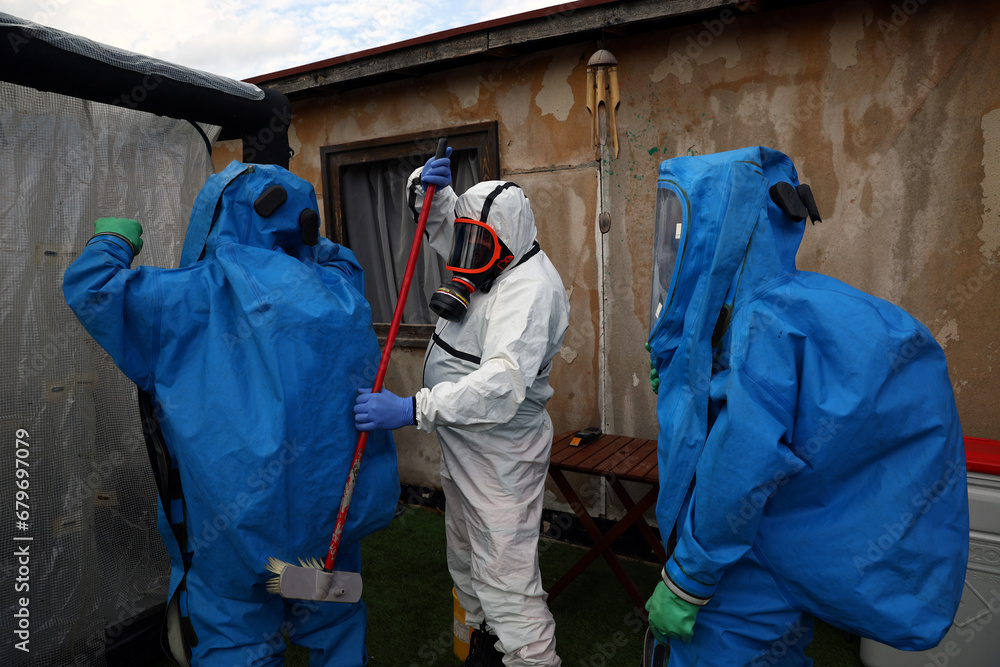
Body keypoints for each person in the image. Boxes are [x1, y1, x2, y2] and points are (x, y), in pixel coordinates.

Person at [63, 161, 399, 667]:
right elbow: (337, 257)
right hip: (331, 520)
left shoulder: (193, 295)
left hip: (236, 531)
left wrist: (114, 239)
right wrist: (301, 233)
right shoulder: (340, 292)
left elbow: (93, 287)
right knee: (334, 622)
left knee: (237, 637)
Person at [643, 147, 969, 666]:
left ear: (722, 224)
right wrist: (692, 374)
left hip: (740, 572)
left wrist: (688, 580)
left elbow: (740, 467)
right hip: (779, 554)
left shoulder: (763, 324)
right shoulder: (799, 307)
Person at [353, 151, 570, 667]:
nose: (464, 252)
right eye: (465, 238)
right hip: (464, 441)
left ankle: (530, 657)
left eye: (477, 243)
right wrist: (424, 183)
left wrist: (412, 408)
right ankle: (482, 648)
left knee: (507, 580)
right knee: (467, 556)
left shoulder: (531, 291)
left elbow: (500, 386)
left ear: (507, 243)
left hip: (501, 455)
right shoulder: (486, 246)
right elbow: (443, 218)